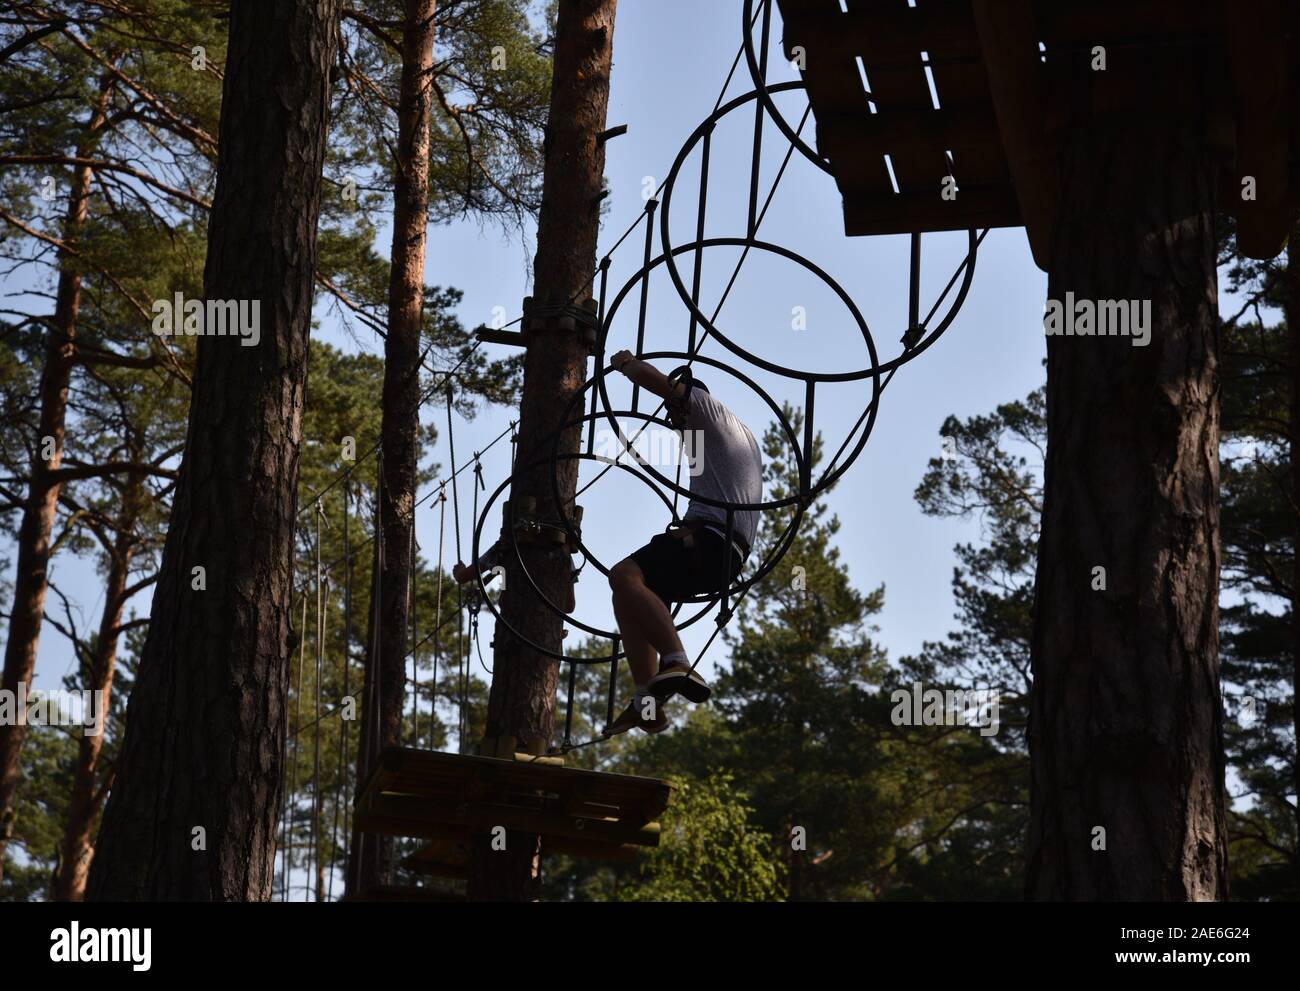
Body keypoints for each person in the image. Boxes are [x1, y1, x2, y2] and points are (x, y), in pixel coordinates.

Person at [603, 349, 762, 736]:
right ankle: (647, 703)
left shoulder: (705, 408)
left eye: (674, 414)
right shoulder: (731, 439)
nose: (672, 422)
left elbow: (661, 385)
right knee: (627, 591)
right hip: (722, 554)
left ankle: (676, 660)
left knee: (623, 575)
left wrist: (625, 363)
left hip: (711, 542)